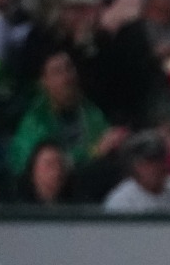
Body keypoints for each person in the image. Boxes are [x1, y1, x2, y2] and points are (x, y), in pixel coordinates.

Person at [9, 50, 122, 198]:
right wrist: (93, 152)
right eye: (57, 72)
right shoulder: (35, 121)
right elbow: (28, 168)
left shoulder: (91, 111)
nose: (67, 77)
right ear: (44, 82)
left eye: (69, 68)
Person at [103, 129, 170, 212]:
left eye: (159, 159)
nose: (156, 167)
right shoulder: (121, 201)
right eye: (149, 162)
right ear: (135, 167)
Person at [19, 140, 73, 206]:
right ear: (33, 170)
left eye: (60, 164)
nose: (56, 171)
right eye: (49, 164)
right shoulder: (18, 204)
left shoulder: (76, 202)